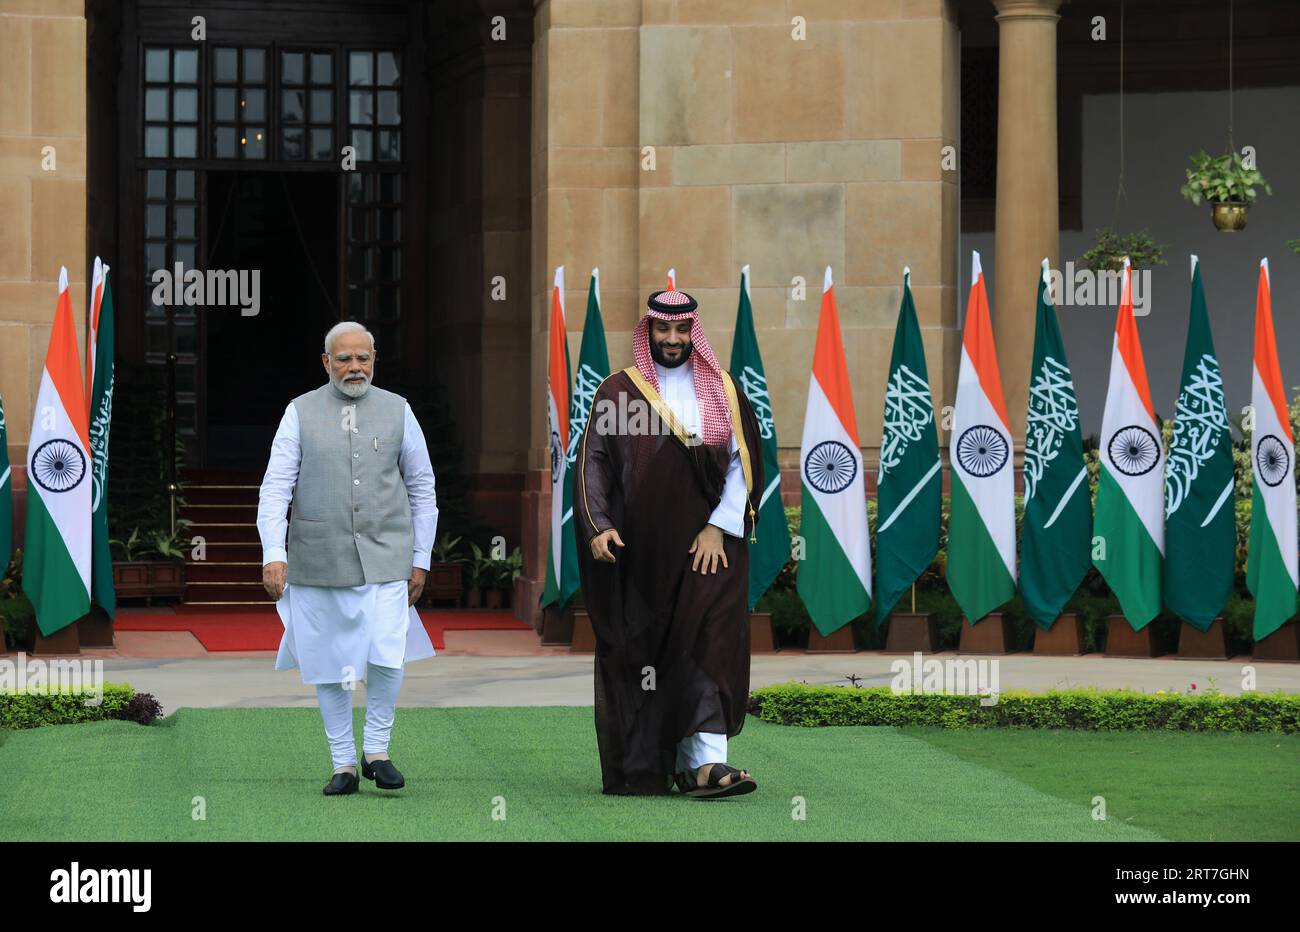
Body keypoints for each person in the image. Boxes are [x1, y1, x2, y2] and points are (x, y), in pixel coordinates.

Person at [575, 288, 764, 799]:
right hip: (643, 555)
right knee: (650, 653)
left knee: (710, 641)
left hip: (712, 549)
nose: (674, 339)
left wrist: (718, 527)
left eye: (683, 330)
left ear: (693, 332)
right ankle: (662, 765)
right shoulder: (619, 392)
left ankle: (708, 765)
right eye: (664, 329)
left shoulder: (723, 389)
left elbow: (742, 468)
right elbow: (593, 462)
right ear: (649, 331)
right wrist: (598, 525)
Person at [258, 321, 438, 796]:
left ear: (374, 359)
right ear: (327, 363)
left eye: (363, 358)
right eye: (344, 359)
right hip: (318, 560)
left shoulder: (399, 410)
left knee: (386, 654)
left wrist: (421, 558)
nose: (354, 367)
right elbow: (276, 487)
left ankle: (376, 751)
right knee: (327, 663)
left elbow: (422, 487)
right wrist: (273, 554)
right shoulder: (299, 412)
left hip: (388, 557)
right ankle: (342, 763)